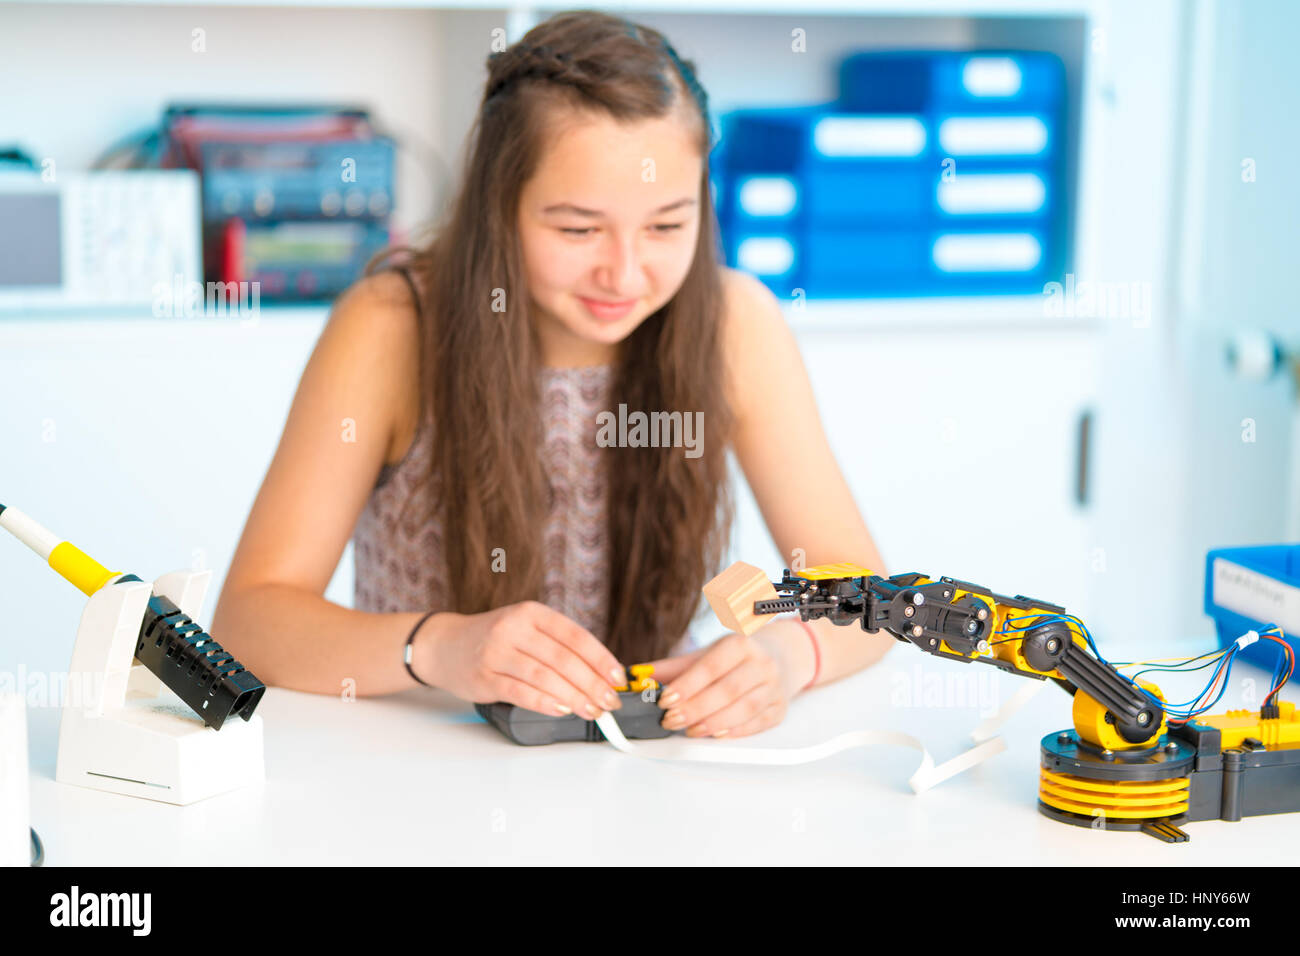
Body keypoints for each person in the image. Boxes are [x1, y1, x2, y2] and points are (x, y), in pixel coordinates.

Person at [211, 10, 892, 740]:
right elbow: (251, 621)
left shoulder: (736, 322)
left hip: (650, 768)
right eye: (577, 229)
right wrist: (440, 646)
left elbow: (871, 605)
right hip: (425, 761)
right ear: (498, 206)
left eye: (667, 226)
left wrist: (787, 655)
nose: (625, 273)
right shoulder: (391, 324)